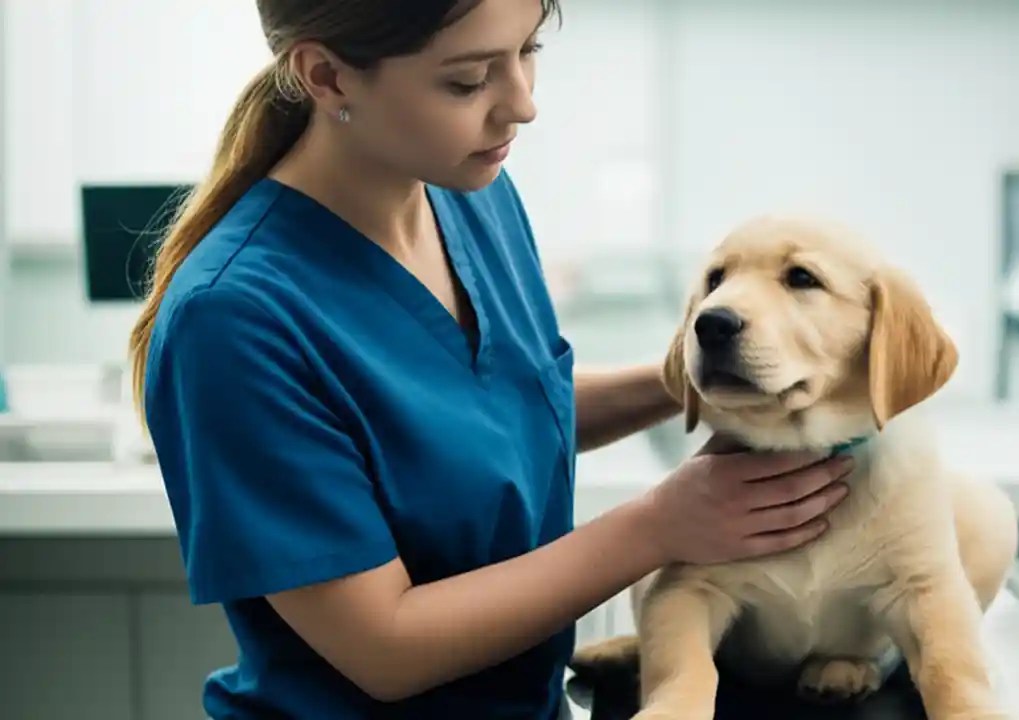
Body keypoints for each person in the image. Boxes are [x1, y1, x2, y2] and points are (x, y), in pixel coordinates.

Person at [128, 1, 853, 718]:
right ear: (328, 77)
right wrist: (661, 524)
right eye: (469, 81)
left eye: (528, 49)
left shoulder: (472, 195)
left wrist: (699, 373)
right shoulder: (234, 321)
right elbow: (386, 647)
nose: (523, 105)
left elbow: (501, 414)